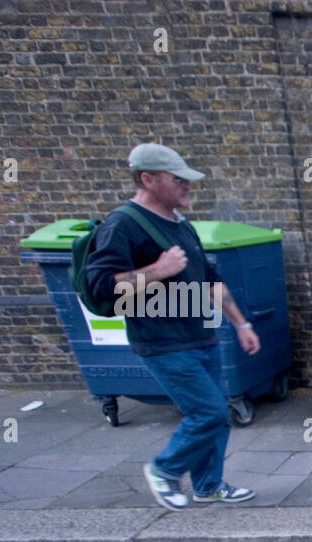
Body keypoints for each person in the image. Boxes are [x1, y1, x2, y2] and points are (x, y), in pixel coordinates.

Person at [85, 143, 260, 510]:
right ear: (147, 179)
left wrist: (241, 324)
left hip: (201, 336)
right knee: (207, 412)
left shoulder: (181, 225)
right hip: (163, 342)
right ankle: (164, 470)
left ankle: (208, 485)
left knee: (216, 418)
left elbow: (211, 280)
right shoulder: (123, 225)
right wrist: (158, 271)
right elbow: (102, 286)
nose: (187, 186)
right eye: (177, 179)